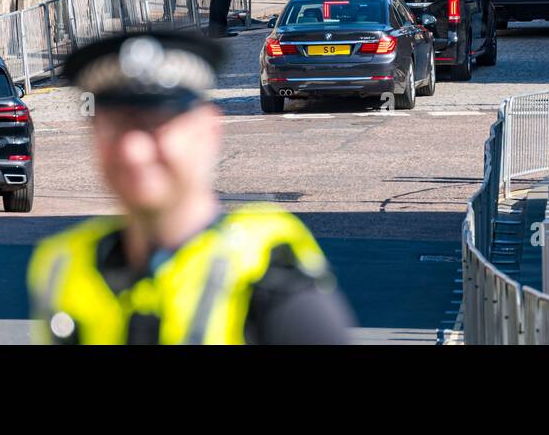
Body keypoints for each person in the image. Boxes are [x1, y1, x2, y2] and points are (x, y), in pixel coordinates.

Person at [26, 30, 355, 344]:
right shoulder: (64, 267)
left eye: (156, 125)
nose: (133, 150)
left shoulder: (264, 275)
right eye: (116, 126)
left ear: (208, 132)